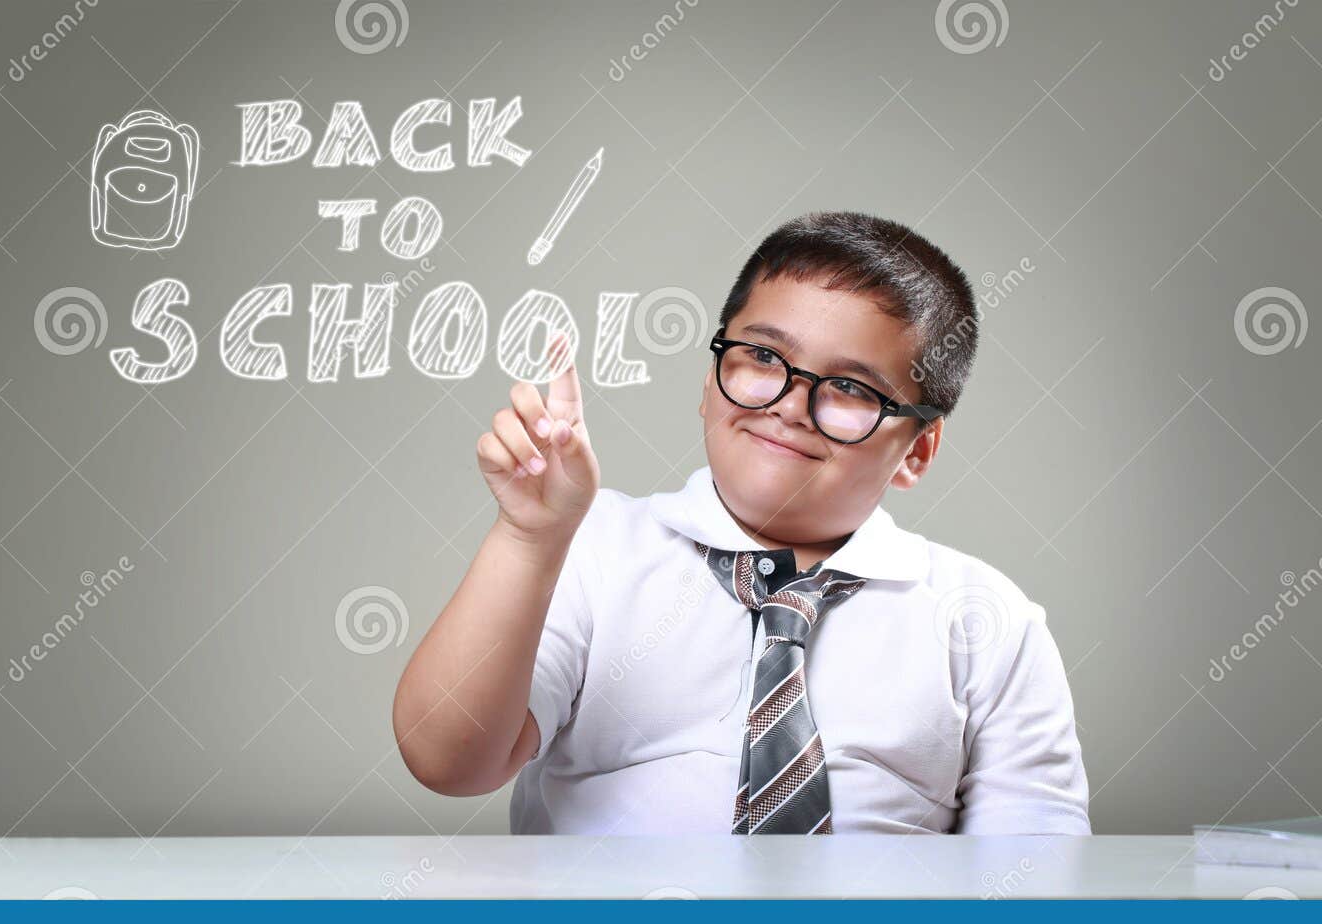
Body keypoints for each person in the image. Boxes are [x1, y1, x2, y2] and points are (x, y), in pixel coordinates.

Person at [392, 211, 1090, 835]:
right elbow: (447, 760)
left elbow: (1033, 882)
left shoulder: (985, 621)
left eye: (850, 388)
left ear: (916, 452)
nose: (789, 403)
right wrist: (528, 539)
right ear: (707, 383)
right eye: (762, 357)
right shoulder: (591, 547)